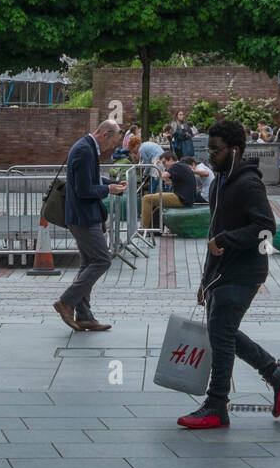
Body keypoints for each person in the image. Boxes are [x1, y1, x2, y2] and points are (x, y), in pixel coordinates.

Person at [180, 119, 280, 429]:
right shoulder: (221, 180)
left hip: (245, 271)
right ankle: (276, 373)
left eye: (216, 150)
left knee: (220, 333)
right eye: (209, 148)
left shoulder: (248, 183)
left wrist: (225, 240)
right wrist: (206, 278)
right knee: (223, 331)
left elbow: (266, 228)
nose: (210, 155)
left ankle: (217, 405)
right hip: (223, 271)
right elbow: (214, 229)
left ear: (235, 150)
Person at [54, 120, 127, 333]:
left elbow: (90, 179)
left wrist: (108, 183)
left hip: (82, 215)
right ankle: (66, 302)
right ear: (105, 134)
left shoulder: (86, 147)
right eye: (113, 142)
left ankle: (84, 316)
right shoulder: (85, 150)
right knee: (102, 260)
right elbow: (84, 190)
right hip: (83, 217)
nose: (113, 147)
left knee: (88, 264)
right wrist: (109, 190)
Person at [141, 150, 196, 228]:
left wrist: (155, 165)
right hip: (186, 198)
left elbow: (160, 176)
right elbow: (168, 180)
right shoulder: (181, 166)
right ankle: (153, 228)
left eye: (164, 162)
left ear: (170, 159)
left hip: (182, 199)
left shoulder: (176, 166)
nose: (164, 166)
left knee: (146, 199)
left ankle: (144, 228)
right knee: (155, 197)